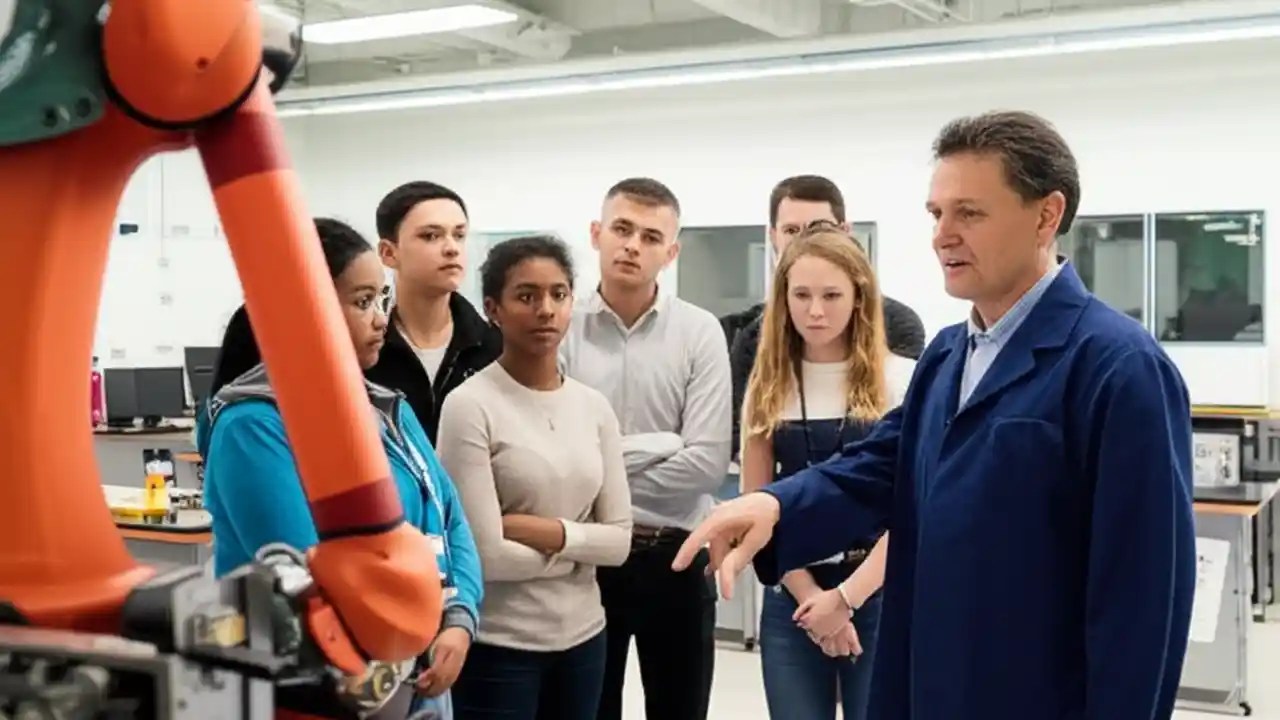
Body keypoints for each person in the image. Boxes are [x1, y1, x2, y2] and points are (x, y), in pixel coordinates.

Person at [674, 111, 1196, 720]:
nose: (942, 234)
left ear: (1046, 216)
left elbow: (1142, 600)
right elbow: (880, 467)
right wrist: (778, 505)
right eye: (936, 214)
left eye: (969, 213)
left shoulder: (1117, 367)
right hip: (930, 680)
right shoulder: (949, 353)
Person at [197, 218, 483, 720]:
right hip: (315, 684)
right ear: (305, 310)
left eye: (382, 299)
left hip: (416, 671)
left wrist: (458, 619)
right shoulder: (254, 426)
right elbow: (310, 571)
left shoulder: (390, 409)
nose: (380, 319)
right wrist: (414, 619)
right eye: (362, 301)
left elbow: (449, 517)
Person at [436, 235, 633, 720]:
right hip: (500, 646)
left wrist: (542, 531)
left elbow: (621, 543)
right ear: (493, 309)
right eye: (526, 296)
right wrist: (581, 553)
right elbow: (484, 557)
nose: (546, 309)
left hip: (585, 639)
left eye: (559, 294)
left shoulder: (593, 407)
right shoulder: (469, 406)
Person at [559, 178, 731, 720]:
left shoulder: (699, 332)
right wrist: (662, 446)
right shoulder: (561, 327)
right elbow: (556, 459)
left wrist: (598, 468)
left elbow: (704, 464)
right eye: (622, 229)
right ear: (596, 234)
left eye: (651, 236)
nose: (633, 245)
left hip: (677, 558)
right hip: (585, 564)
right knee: (589, 710)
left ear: (671, 251)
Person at [740, 222, 914, 720]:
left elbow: (912, 510)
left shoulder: (902, 378)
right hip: (792, 597)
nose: (815, 311)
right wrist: (813, 598)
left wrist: (846, 599)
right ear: (783, 299)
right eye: (801, 295)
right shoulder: (767, 386)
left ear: (859, 297)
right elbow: (755, 506)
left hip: (879, 595)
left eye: (832, 295)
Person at [724, 175, 926, 453]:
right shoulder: (753, 340)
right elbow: (741, 439)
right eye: (792, 230)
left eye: (832, 296)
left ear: (845, 233)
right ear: (773, 236)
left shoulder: (899, 335)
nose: (808, 240)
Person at [366, 180, 502, 444]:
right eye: (431, 236)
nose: (451, 248)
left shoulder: (494, 346)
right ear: (388, 253)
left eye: (459, 235)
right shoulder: (366, 347)